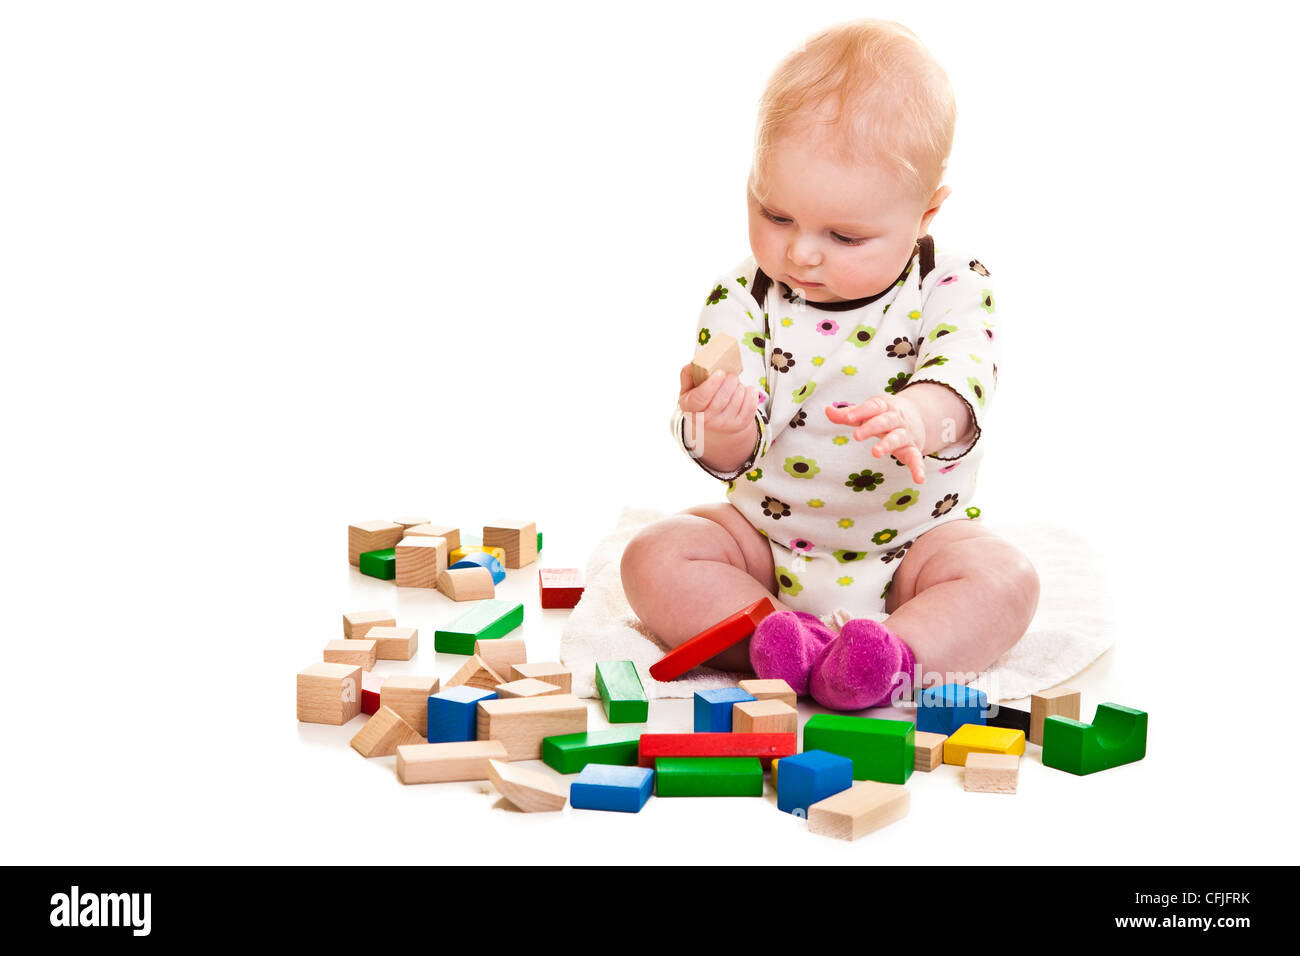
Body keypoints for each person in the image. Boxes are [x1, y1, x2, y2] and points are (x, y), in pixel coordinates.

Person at [620, 18, 1040, 711]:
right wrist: (720, 424)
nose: (800, 254)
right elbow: (726, 444)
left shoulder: (951, 280)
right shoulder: (743, 291)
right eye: (774, 214)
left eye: (844, 235)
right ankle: (778, 644)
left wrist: (918, 414)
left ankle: (890, 657)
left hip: (914, 545)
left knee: (1005, 579)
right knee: (656, 556)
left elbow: (967, 371)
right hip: (767, 540)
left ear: (925, 214)